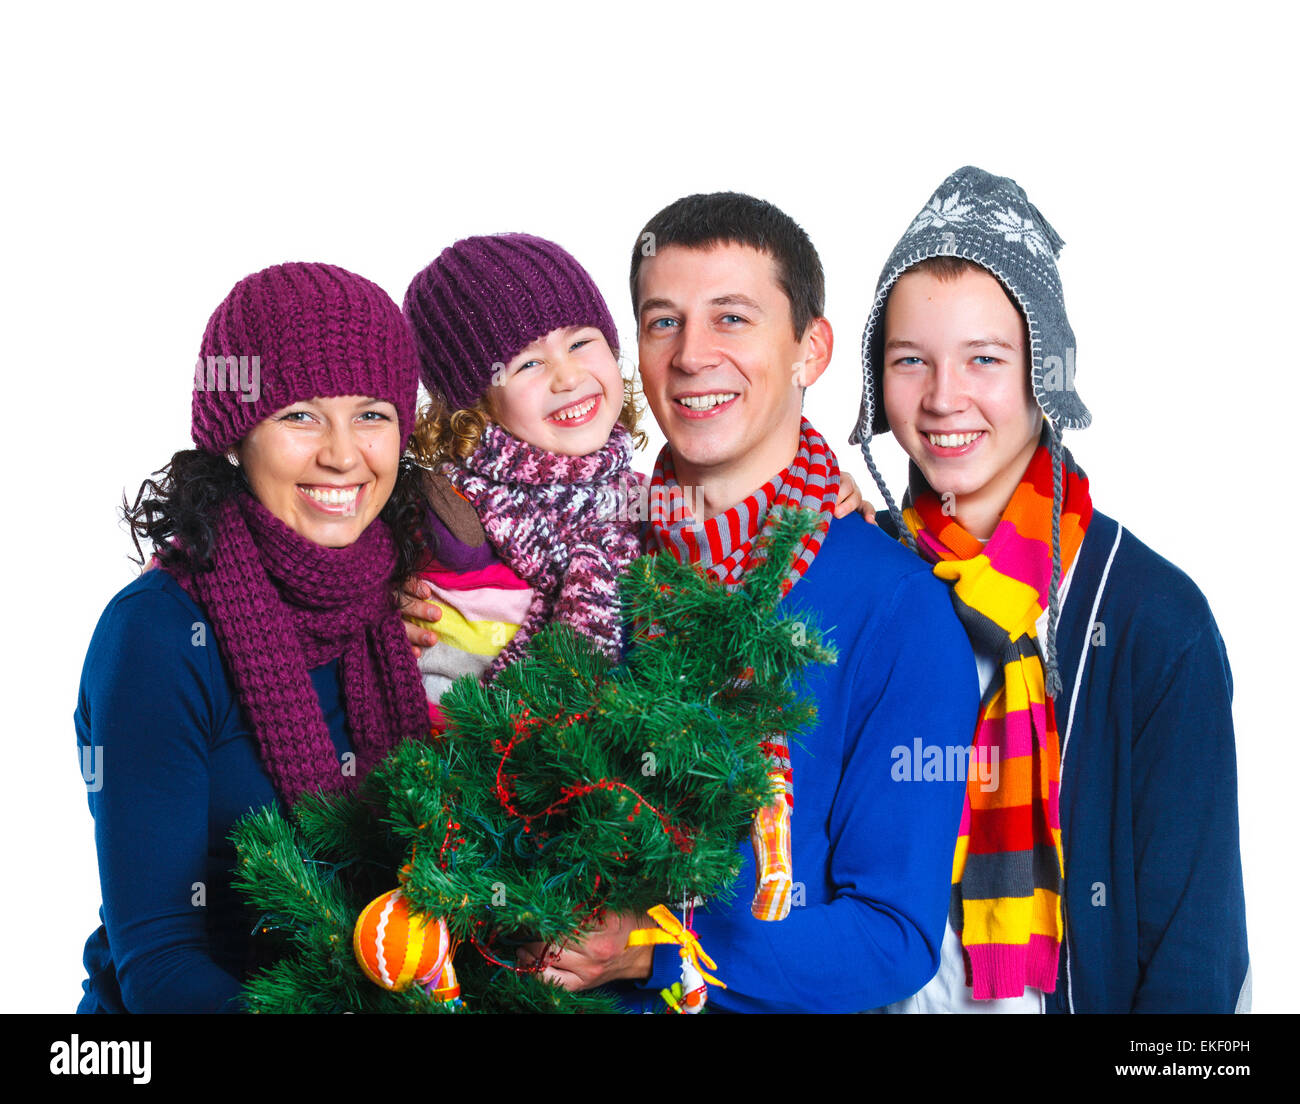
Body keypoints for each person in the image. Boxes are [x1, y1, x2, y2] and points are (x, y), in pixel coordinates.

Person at [511, 193, 981, 1013]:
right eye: (664, 322)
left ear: (811, 348)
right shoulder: (585, 561)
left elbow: (891, 937)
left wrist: (654, 957)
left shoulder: (895, 606)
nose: (692, 355)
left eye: (732, 319)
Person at [853, 166, 1250, 1013]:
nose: (943, 398)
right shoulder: (859, 586)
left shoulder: (1151, 622)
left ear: (1048, 374)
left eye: (985, 360)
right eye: (910, 361)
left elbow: (1196, 960)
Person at [76, 262, 431, 1013]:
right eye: (300, 415)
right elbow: (160, 965)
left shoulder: (403, 605)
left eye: (372, 414)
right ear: (235, 436)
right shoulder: (157, 636)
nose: (343, 454)